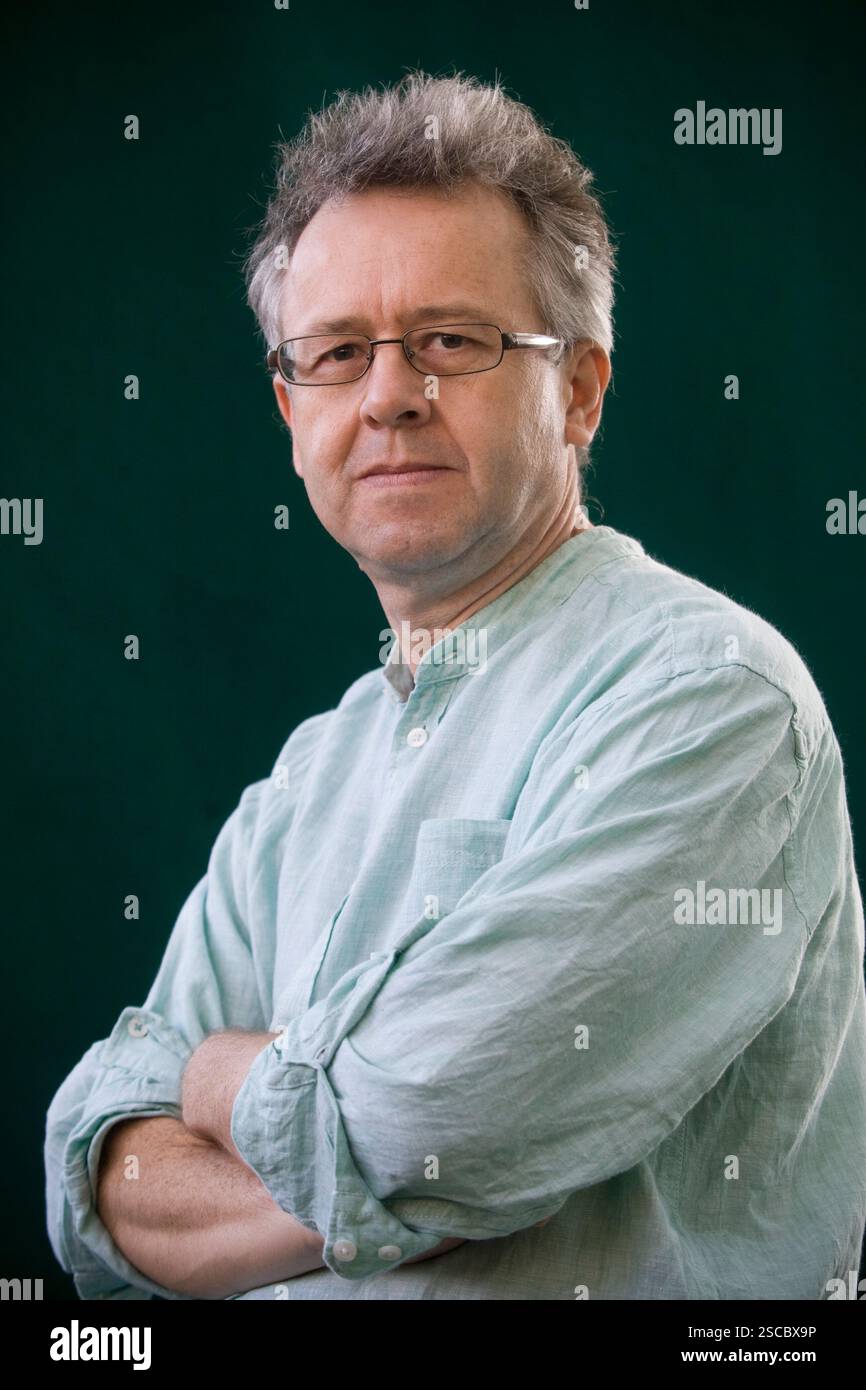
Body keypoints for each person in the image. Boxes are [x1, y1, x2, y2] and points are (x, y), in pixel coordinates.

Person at [45, 70, 866, 1301]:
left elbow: (430, 1128)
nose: (387, 394)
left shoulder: (712, 700)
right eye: (335, 352)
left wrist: (219, 1082)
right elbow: (92, 1169)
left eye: (450, 340)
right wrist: (348, 1157)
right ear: (289, 408)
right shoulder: (309, 775)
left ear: (578, 388)